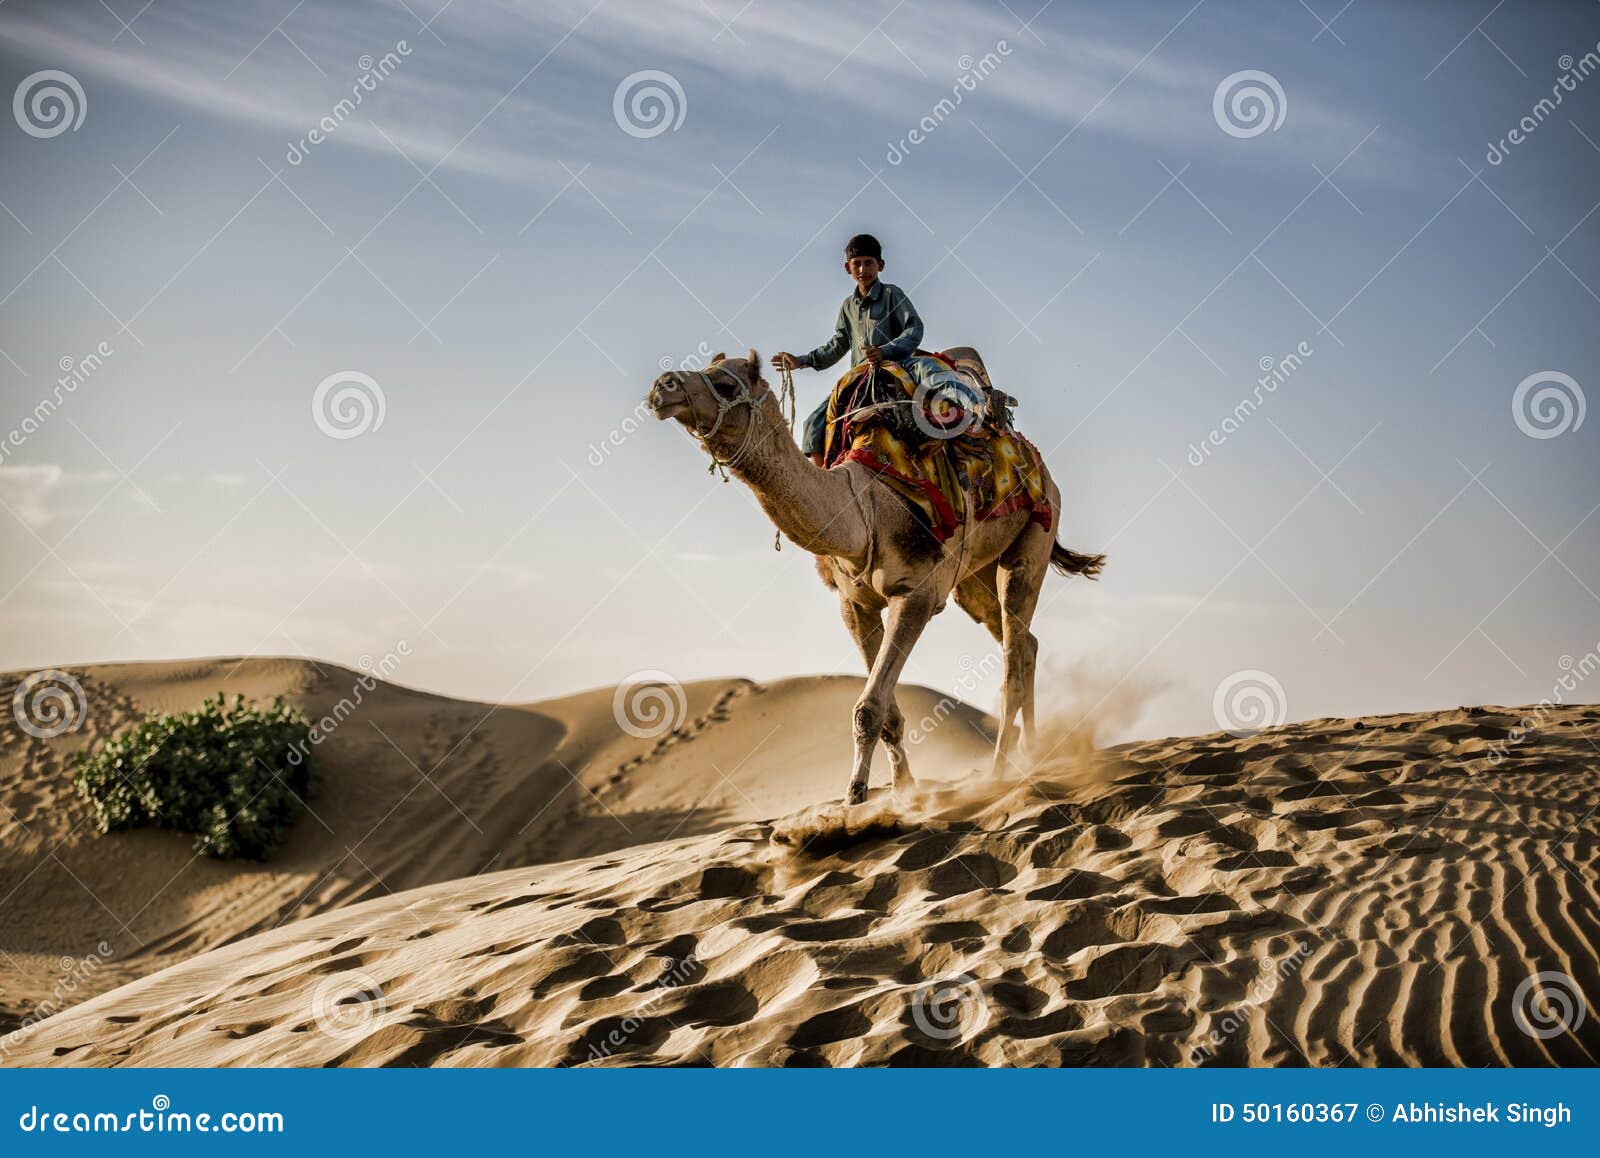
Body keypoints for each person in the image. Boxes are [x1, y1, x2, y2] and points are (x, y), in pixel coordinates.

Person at [772, 233, 924, 468]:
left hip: (891, 373)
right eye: (857, 264)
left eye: (869, 263)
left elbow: (914, 328)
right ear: (847, 268)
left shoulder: (891, 294)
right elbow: (838, 344)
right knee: (813, 423)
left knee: (917, 414)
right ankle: (822, 479)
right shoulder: (848, 306)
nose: (863, 269)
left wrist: (885, 351)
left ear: (880, 265)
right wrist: (801, 361)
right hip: (857, 380)